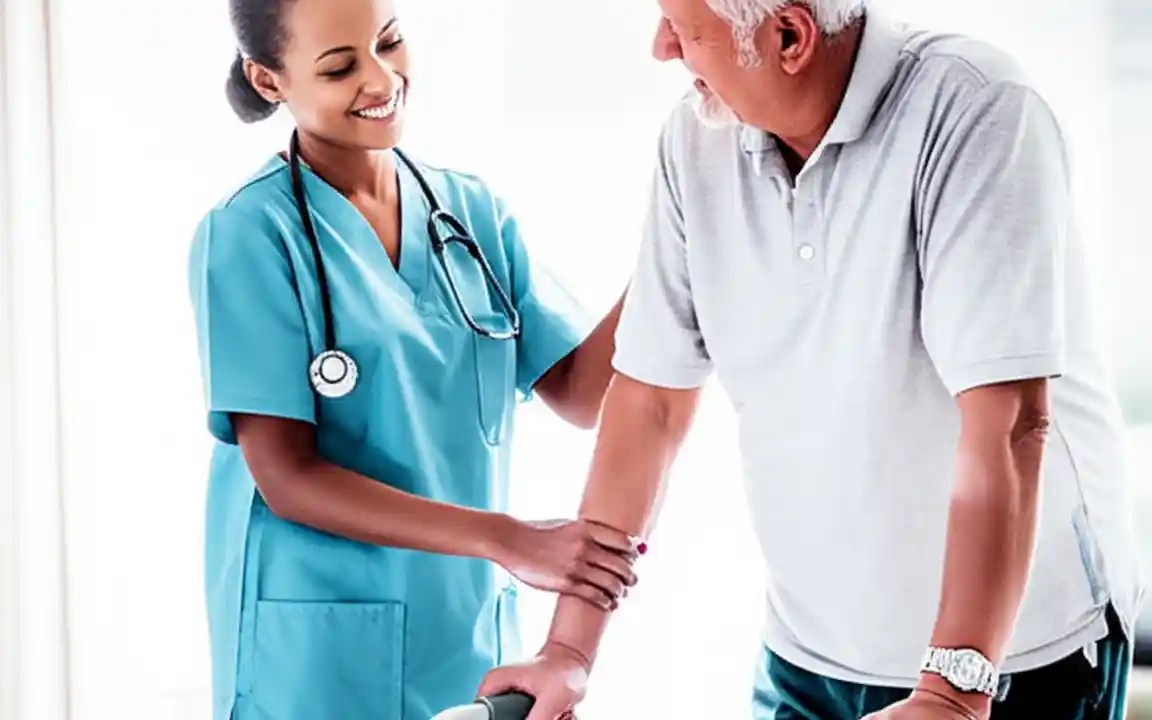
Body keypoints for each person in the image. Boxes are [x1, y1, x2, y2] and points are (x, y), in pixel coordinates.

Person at [478, 1, 1144, 719]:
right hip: (810, 651)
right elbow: (650, 402)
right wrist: (569, 652)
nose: (661, 48)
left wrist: (952, 693)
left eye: (682, 26)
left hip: (1008, 659)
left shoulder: (977, 111)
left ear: (789, 36)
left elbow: (1007, 424)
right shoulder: (697, 141)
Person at [185, 1, 639, 718]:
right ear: (268, 81)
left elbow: (582, 392)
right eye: (339, 67)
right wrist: (507, 539)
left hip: (464, 637)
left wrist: (678, 244)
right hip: (318, 654)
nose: (380, 78)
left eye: (388, 41)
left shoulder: (470, 212)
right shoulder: (249, 233)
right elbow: (287, 479)